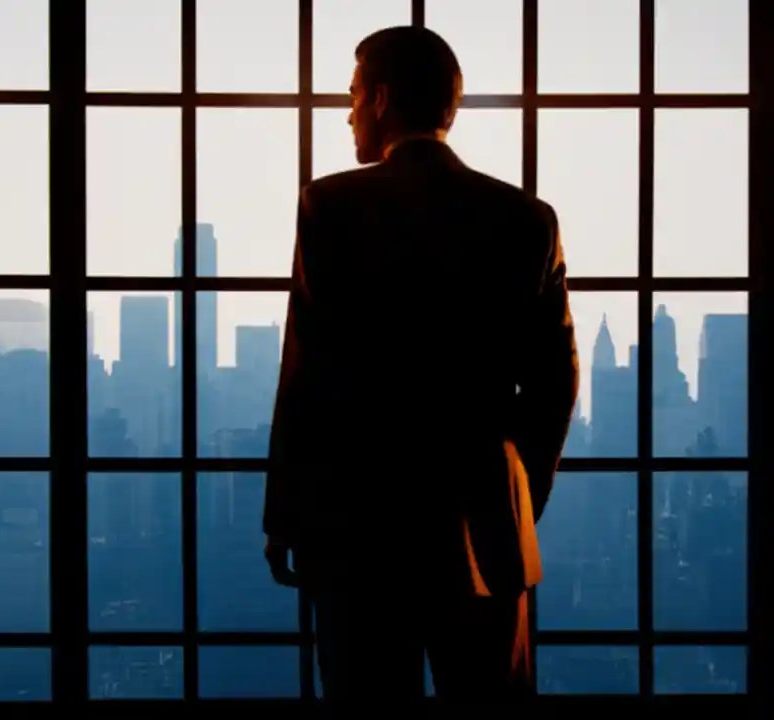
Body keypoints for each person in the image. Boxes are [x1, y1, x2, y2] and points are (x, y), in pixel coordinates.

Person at [262, 25, 578, 705]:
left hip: (356, 527)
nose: (347, 113)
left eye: (351, 95)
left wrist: (283, 512)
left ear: (380, 99)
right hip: (486, 526)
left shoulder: (331, 206)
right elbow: (556, 380)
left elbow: (306, 376)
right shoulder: (526, 219)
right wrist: (518, 487)